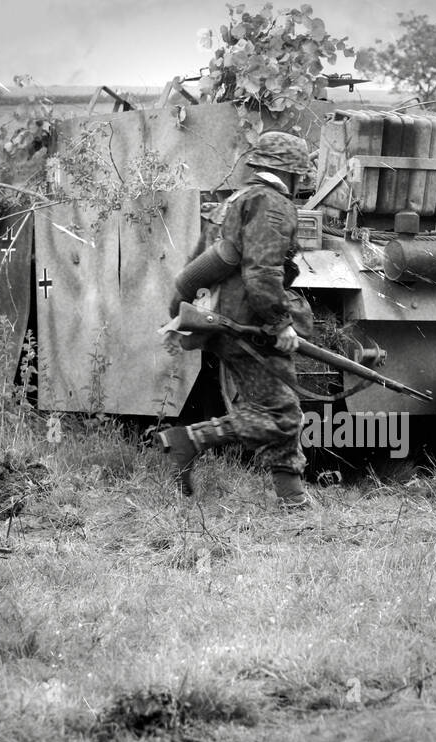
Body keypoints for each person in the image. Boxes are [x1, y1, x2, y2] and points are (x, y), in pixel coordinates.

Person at [156, 131, 316, 510]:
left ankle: (293, 501)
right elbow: (262, 273)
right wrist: (280, 323)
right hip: (249, 326)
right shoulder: (271, 204)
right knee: (283, 417)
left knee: (281, 406)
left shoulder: (236, 200)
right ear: (292, 172)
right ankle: (190, 440)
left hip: (223, 321)